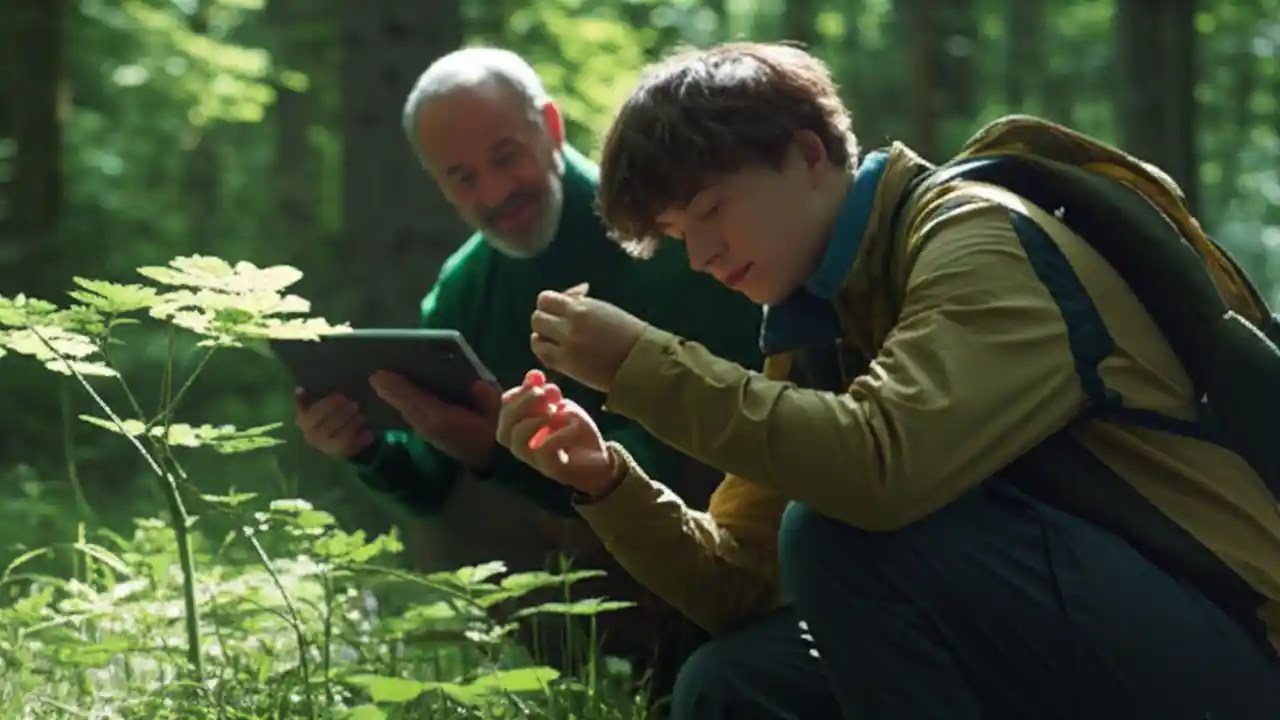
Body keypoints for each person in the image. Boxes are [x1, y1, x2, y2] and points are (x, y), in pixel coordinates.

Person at [496, 41, 1280, 719]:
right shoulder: (824, 318)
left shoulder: (977, 237)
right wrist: (604, 482)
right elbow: (737, 579)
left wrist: (640, 365)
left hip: (1232, 638)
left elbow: (879, 468)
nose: (700, 255)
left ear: (808, 155)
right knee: (731, 687)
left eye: (711, 210)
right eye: (677, 235)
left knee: (838, 535)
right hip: (1087, 632)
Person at [292, 46, 763, 694]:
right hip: (581, 530)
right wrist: (367, 449)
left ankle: (697, 661)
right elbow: (432, 492)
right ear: (438, 184)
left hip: (721, 528)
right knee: (451, 504)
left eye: (505, 155)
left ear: (551, 126)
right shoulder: (463, 289)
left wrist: (506, 452)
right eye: (462, 177)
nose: (494, 192)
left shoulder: (667, 232)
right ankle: (577, 681)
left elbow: (714, 435)